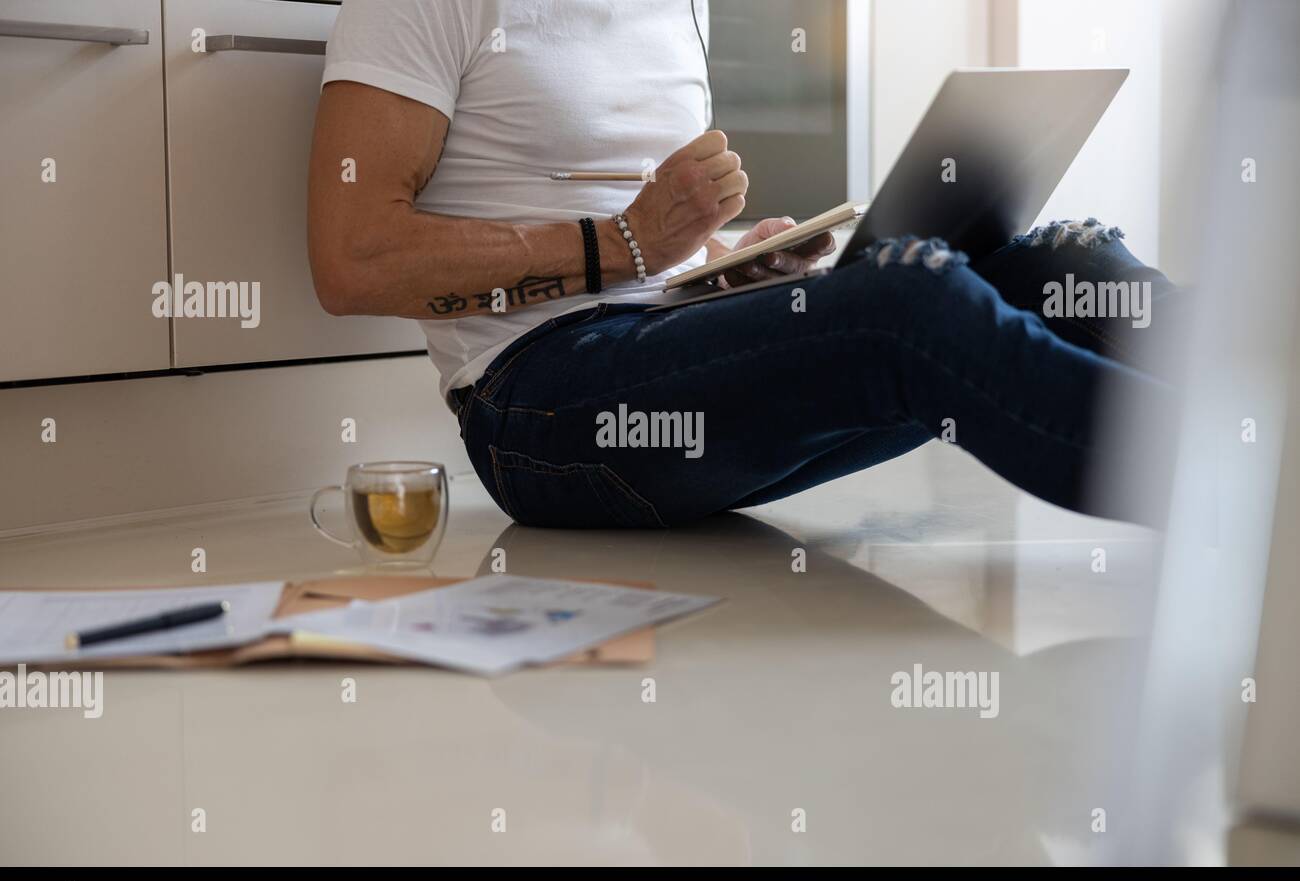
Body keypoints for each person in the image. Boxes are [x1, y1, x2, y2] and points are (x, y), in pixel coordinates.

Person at [308, 0, 1180, 530]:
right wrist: (629, 241)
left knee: (1060, 259)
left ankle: (1266, 415)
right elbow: (351, 259)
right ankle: (1239, 491)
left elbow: (653, 248)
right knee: (906, 303)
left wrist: (736, 264)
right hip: (537, 408)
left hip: (660, 343)